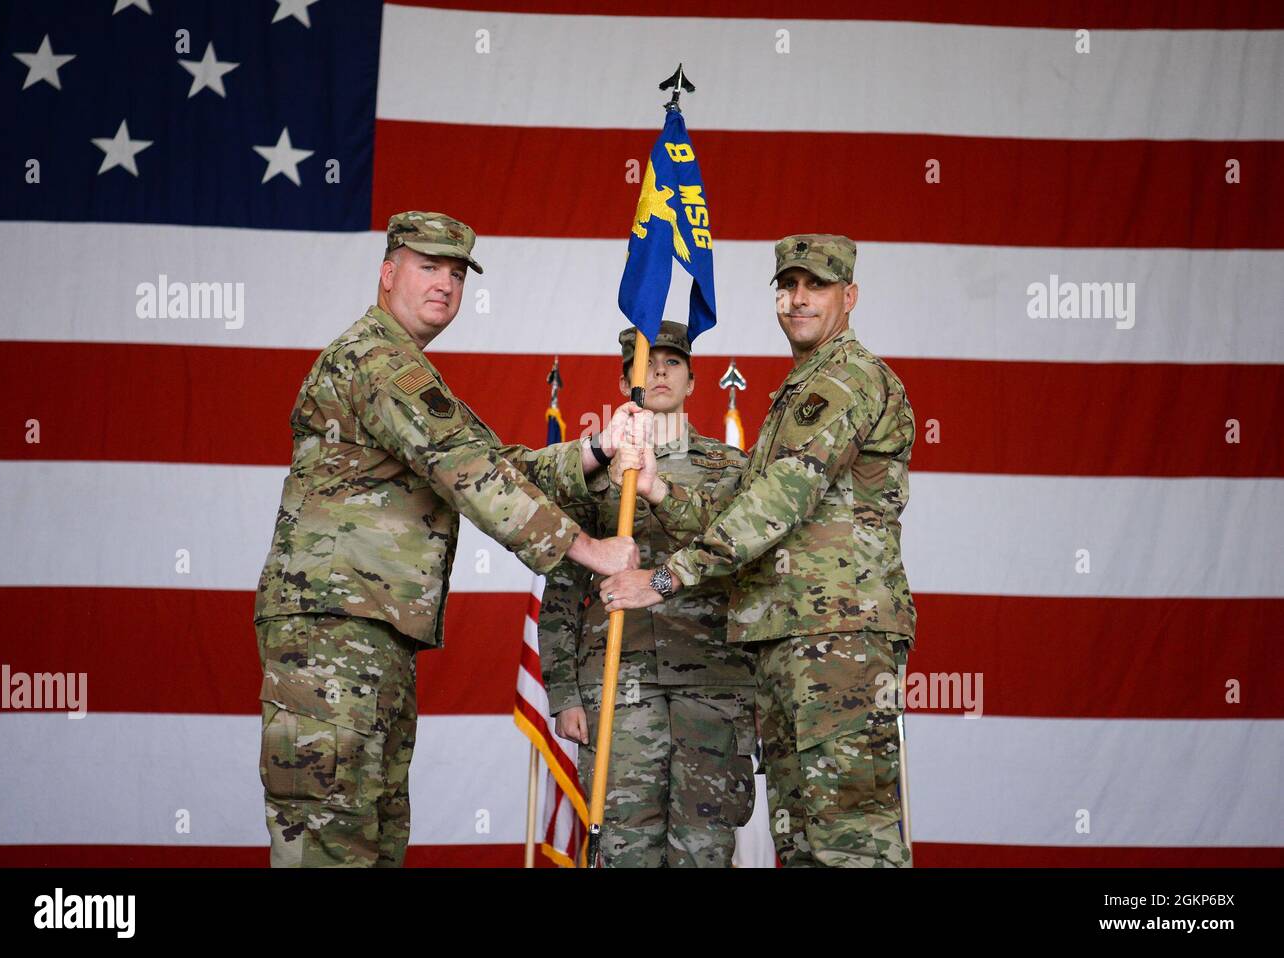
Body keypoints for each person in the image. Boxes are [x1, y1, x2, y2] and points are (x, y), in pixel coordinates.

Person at [253, 210, 643, 867]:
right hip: (335, 636)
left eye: (457, 274)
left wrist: (596, 452)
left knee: (369, 844)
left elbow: (492, 465)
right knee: (330, 845)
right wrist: (589, 550)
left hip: (365, 636)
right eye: (428, 267)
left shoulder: (403, 371)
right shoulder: (379, 362)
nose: (445, 284)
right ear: (387, 273)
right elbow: (467, 473)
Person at [600, 235, 917, 867]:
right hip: (788, 638)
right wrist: (660, 488)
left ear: (848, 296)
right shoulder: (797, 391)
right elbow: (737, 511)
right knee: (801, 841)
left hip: (838, 638)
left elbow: (778, 502)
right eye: (788, 286)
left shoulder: (846, 379)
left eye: (816, 286)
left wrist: (663, 580)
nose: (798, 299)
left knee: (849, 841)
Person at [539, 323, 756, 867]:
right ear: (624, 382)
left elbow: (747, 564)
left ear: (691, 381)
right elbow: (563, 587)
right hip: (618, 682)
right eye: (646, 363)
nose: (658, 372)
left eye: (672, 363)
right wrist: (564, 692)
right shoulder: (592, 473)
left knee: (704, 850)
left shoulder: (731, 470)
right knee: (623, 846)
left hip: (712, 684)